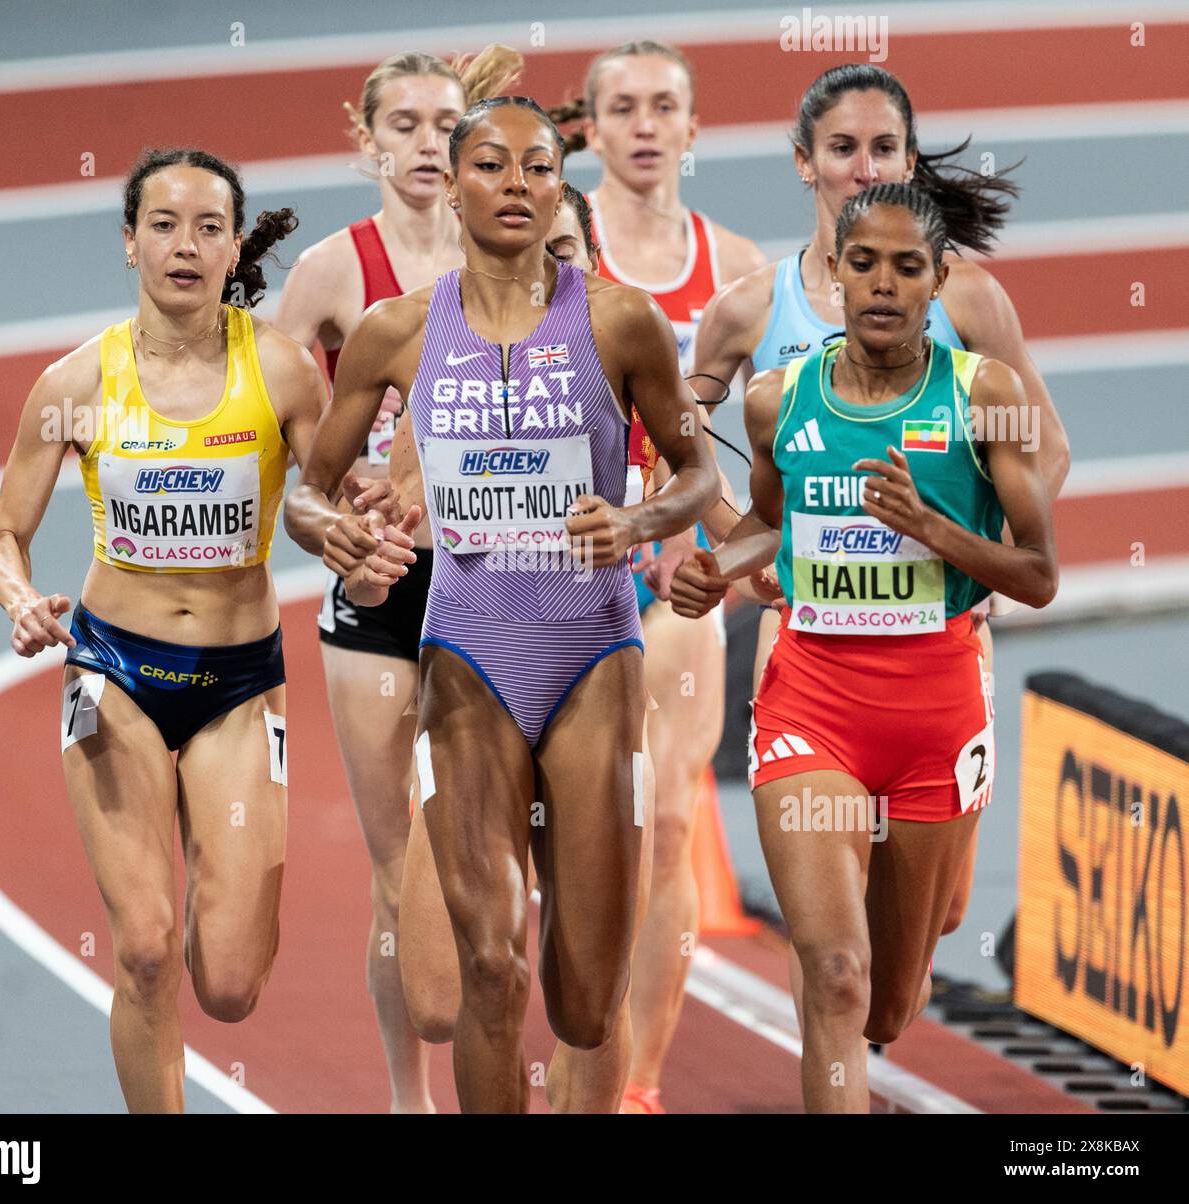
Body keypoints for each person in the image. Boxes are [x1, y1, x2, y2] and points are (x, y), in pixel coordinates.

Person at [286, 96, 720, 1113]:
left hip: (592, 660)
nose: (515, 183)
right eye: (492, 164)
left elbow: (698, 473)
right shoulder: (397, 330)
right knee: (488, 969)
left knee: (580, 1003)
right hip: (467, 654)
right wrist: (333, 533)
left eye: (536, 165)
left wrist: (642, 521)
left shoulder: (618, 321)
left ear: (560, 184)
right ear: (457, 181)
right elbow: (307, 486)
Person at [672, 183, 1059, 1112]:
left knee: (887, 1004)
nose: (883, 284)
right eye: (863, 264)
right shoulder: (777, 401)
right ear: (834, 278)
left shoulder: (983, 397)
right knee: (837, 977)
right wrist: (719, 568)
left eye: (907, 267)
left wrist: (934, 528)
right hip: (814, 705)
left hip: (937, 716)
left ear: (938, 280)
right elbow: (775, 527)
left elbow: (1038, 574)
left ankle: (897, 990)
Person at [692, 63, 1071, 961]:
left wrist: (978, 549)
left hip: (943, 640)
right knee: (835, 914)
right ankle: (841, 1036)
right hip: (807, 642)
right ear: (804, 162)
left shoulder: (964, 295)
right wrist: (746, 546)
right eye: (843, 149)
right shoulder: (752, 306)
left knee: (930, 914)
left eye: (885, 147)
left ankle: (873, 1012)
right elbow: (670, 431)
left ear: (908, 155)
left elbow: (1045, 446)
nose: (865, 168)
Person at [0, 148, 321, 1112]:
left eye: (209, 227)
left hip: (241, 683)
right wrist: (18, 597)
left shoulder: (285, 372)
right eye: (163, 225)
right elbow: (5, 535)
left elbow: (329, 501)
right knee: (141, 951)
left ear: (232, 246)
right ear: (129, 243)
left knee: (230, 984)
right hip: (114, 672)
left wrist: (356, 527)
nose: (185, 244)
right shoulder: (74, 384)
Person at [273, 44, 521, 1115]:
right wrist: (329, 511)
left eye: (444, 124)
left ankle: (493, 1080)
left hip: (503, 583)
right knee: (396, 874)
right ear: (365, 140)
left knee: (487, 871)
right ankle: (406, 1100)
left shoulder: (522, 251)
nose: (426, 143)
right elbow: (271, 439)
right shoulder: (334, 271)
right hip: (381, 589)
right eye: (406, 125)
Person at [548, 38, 766, 1114]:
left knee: (673, 821)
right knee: (580, 831)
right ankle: (564, 1057)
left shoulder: (731, 268)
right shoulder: (555, 241)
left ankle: (636, 1085)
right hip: (555, 570)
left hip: (673, 572)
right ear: (586, 127)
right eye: (621, 107)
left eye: (662, 106)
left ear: (693, 127)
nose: (643, 125)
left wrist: (738, 544)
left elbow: (743, 437)